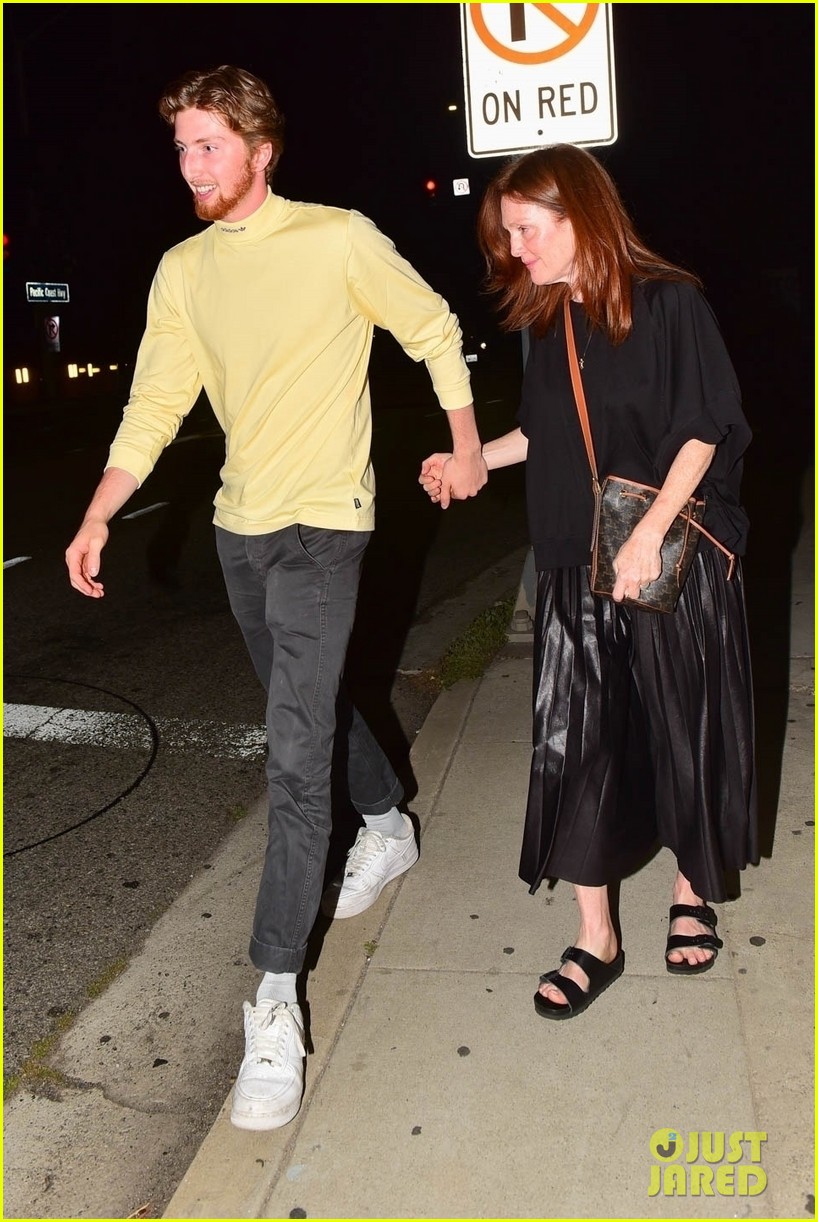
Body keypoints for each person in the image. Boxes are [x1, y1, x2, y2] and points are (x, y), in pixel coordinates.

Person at [65, 64, 487, 1128]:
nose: (191, 165)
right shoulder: (183, 270)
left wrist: (466, 440)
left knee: (291, 757)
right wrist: (100, 510)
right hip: (238, 530)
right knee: (311, 705)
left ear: (261, 149)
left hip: (327, 524)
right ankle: (387, 816)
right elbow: (156, 399)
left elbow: (431, 325)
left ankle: (271, 1000)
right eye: (181, 148)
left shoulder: (336, 238)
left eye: (209, 145)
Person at [420, 144, 757, 1020]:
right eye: (509, 235)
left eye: (527, 230)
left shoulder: (671, 303)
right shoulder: (547, 323)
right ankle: (595, 934)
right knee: (576, 743)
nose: (516, 250)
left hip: (665, 552)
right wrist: (471, 461)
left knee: (687, 724)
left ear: (579, 214)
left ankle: (691, 890)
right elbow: (542, 435)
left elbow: (703, 431)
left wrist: (648, 534)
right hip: (575, 555)